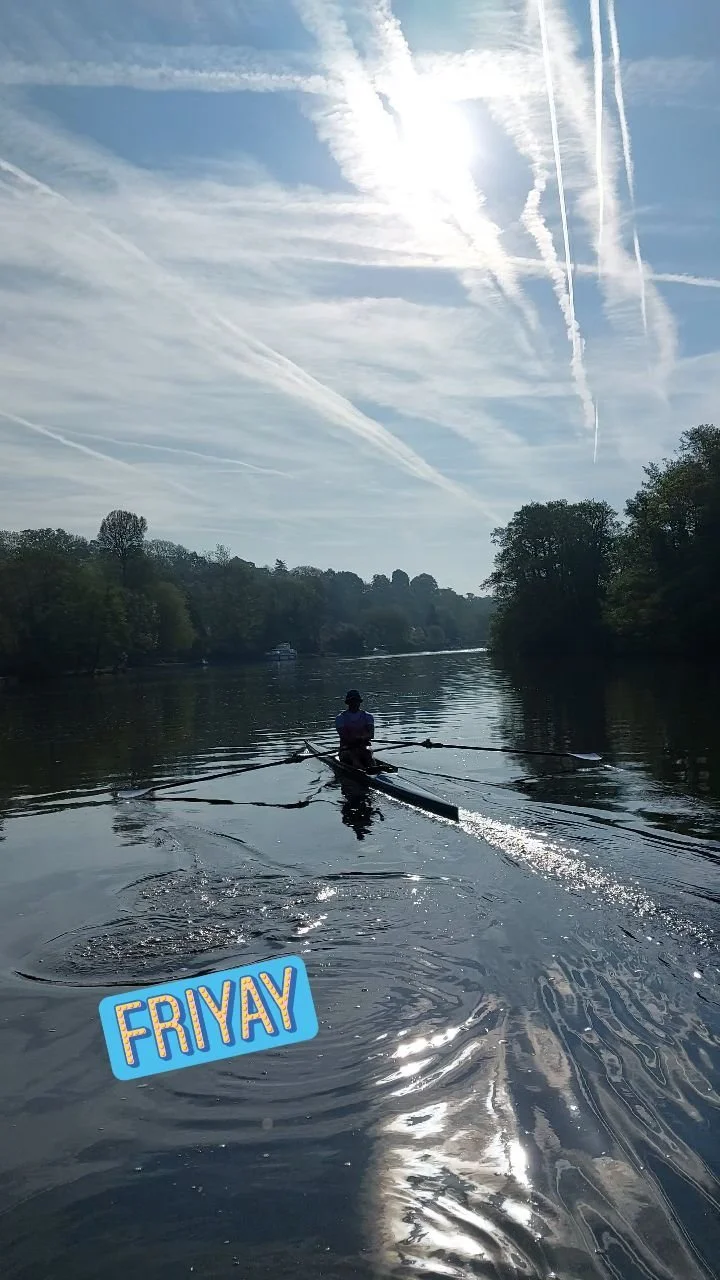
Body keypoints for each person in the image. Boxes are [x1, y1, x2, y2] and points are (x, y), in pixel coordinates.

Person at [335, 689, 375, 769]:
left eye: (356, 701)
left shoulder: (368, 716)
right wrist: (359, 739)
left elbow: (371, 735)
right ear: (348, 702)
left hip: (364, 748)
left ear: (359, 702)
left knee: (368, 755)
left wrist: (362, 738)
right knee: (354, 757)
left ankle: (372, 769)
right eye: (352, 701)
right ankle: (361, 771)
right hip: (346, 749)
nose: (354, 703)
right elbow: (344, 737)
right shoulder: (340, 718)